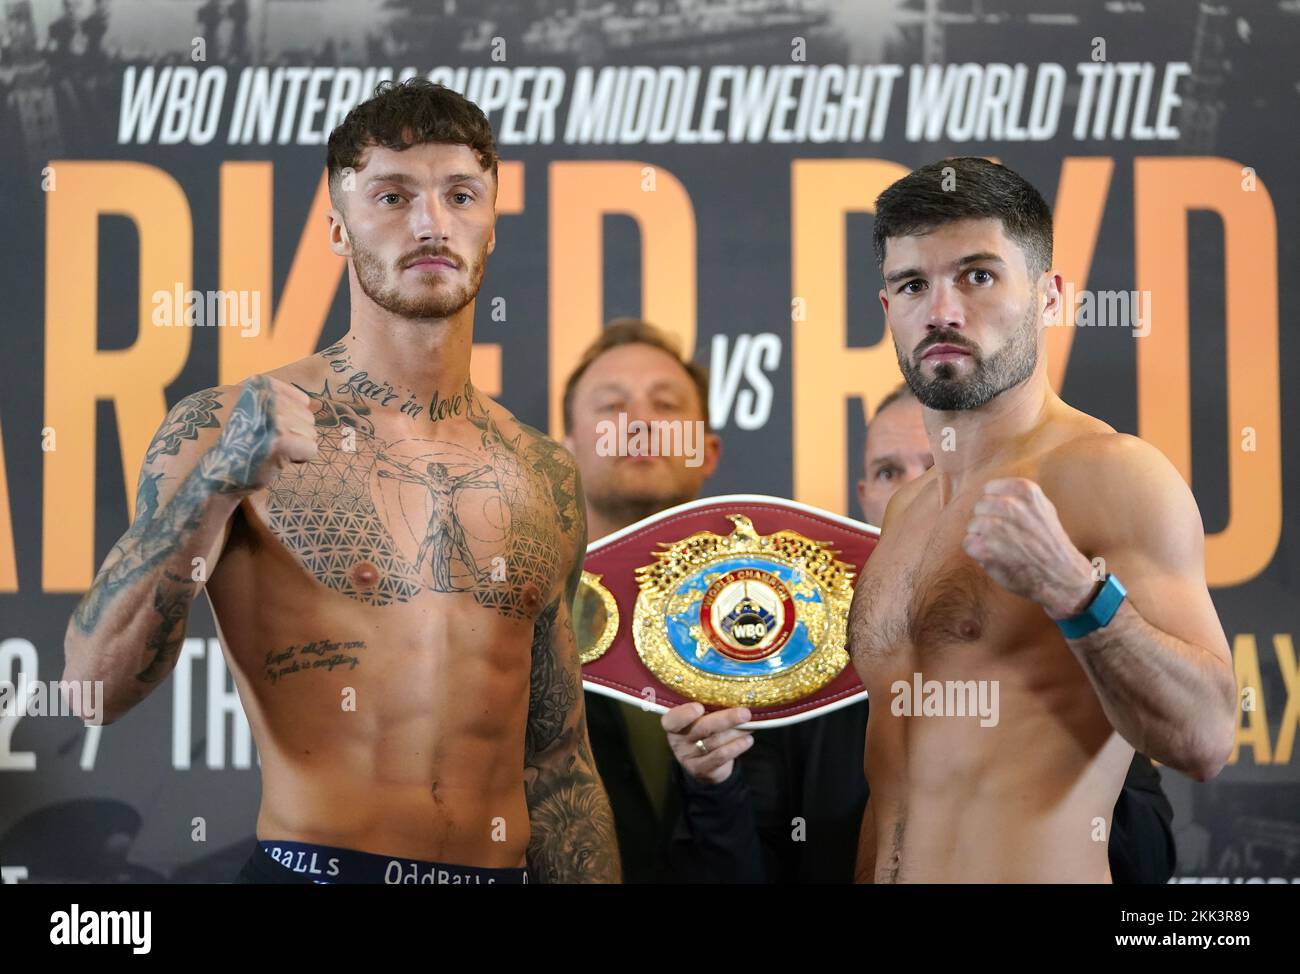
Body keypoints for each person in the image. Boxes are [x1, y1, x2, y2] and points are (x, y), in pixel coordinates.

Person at [63, 79, 619, 884]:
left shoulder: (541, 473)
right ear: (336, 226)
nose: (431, 224)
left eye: (460, 195)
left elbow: (560, 763)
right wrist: (217, 484)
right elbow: (89, 692)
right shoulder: (224, 427)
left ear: (492, 224)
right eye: (392, 196)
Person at [851, 156, 1235, 882]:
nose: (942, 310)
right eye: (913, 285)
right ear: (888, 312)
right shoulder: (905, 512)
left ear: (1050, 297)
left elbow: (1206, 736)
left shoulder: (1111, 473)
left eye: (978, 275)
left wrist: (1075, 594)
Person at [661, 384, 1178, 883]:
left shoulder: (1050, 643)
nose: (917, 491)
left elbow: (1150, 858)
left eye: (934, 469)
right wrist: (714, 785)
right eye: (890, 472)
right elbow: (750, 868)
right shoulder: (791, 662)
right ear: (864, 496)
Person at [561, 319, 720, 882]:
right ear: (566, 452)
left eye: (666, 404)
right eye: (612, 406)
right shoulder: (521, 622)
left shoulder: (771, 617)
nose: (640, 424)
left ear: (707, 452)